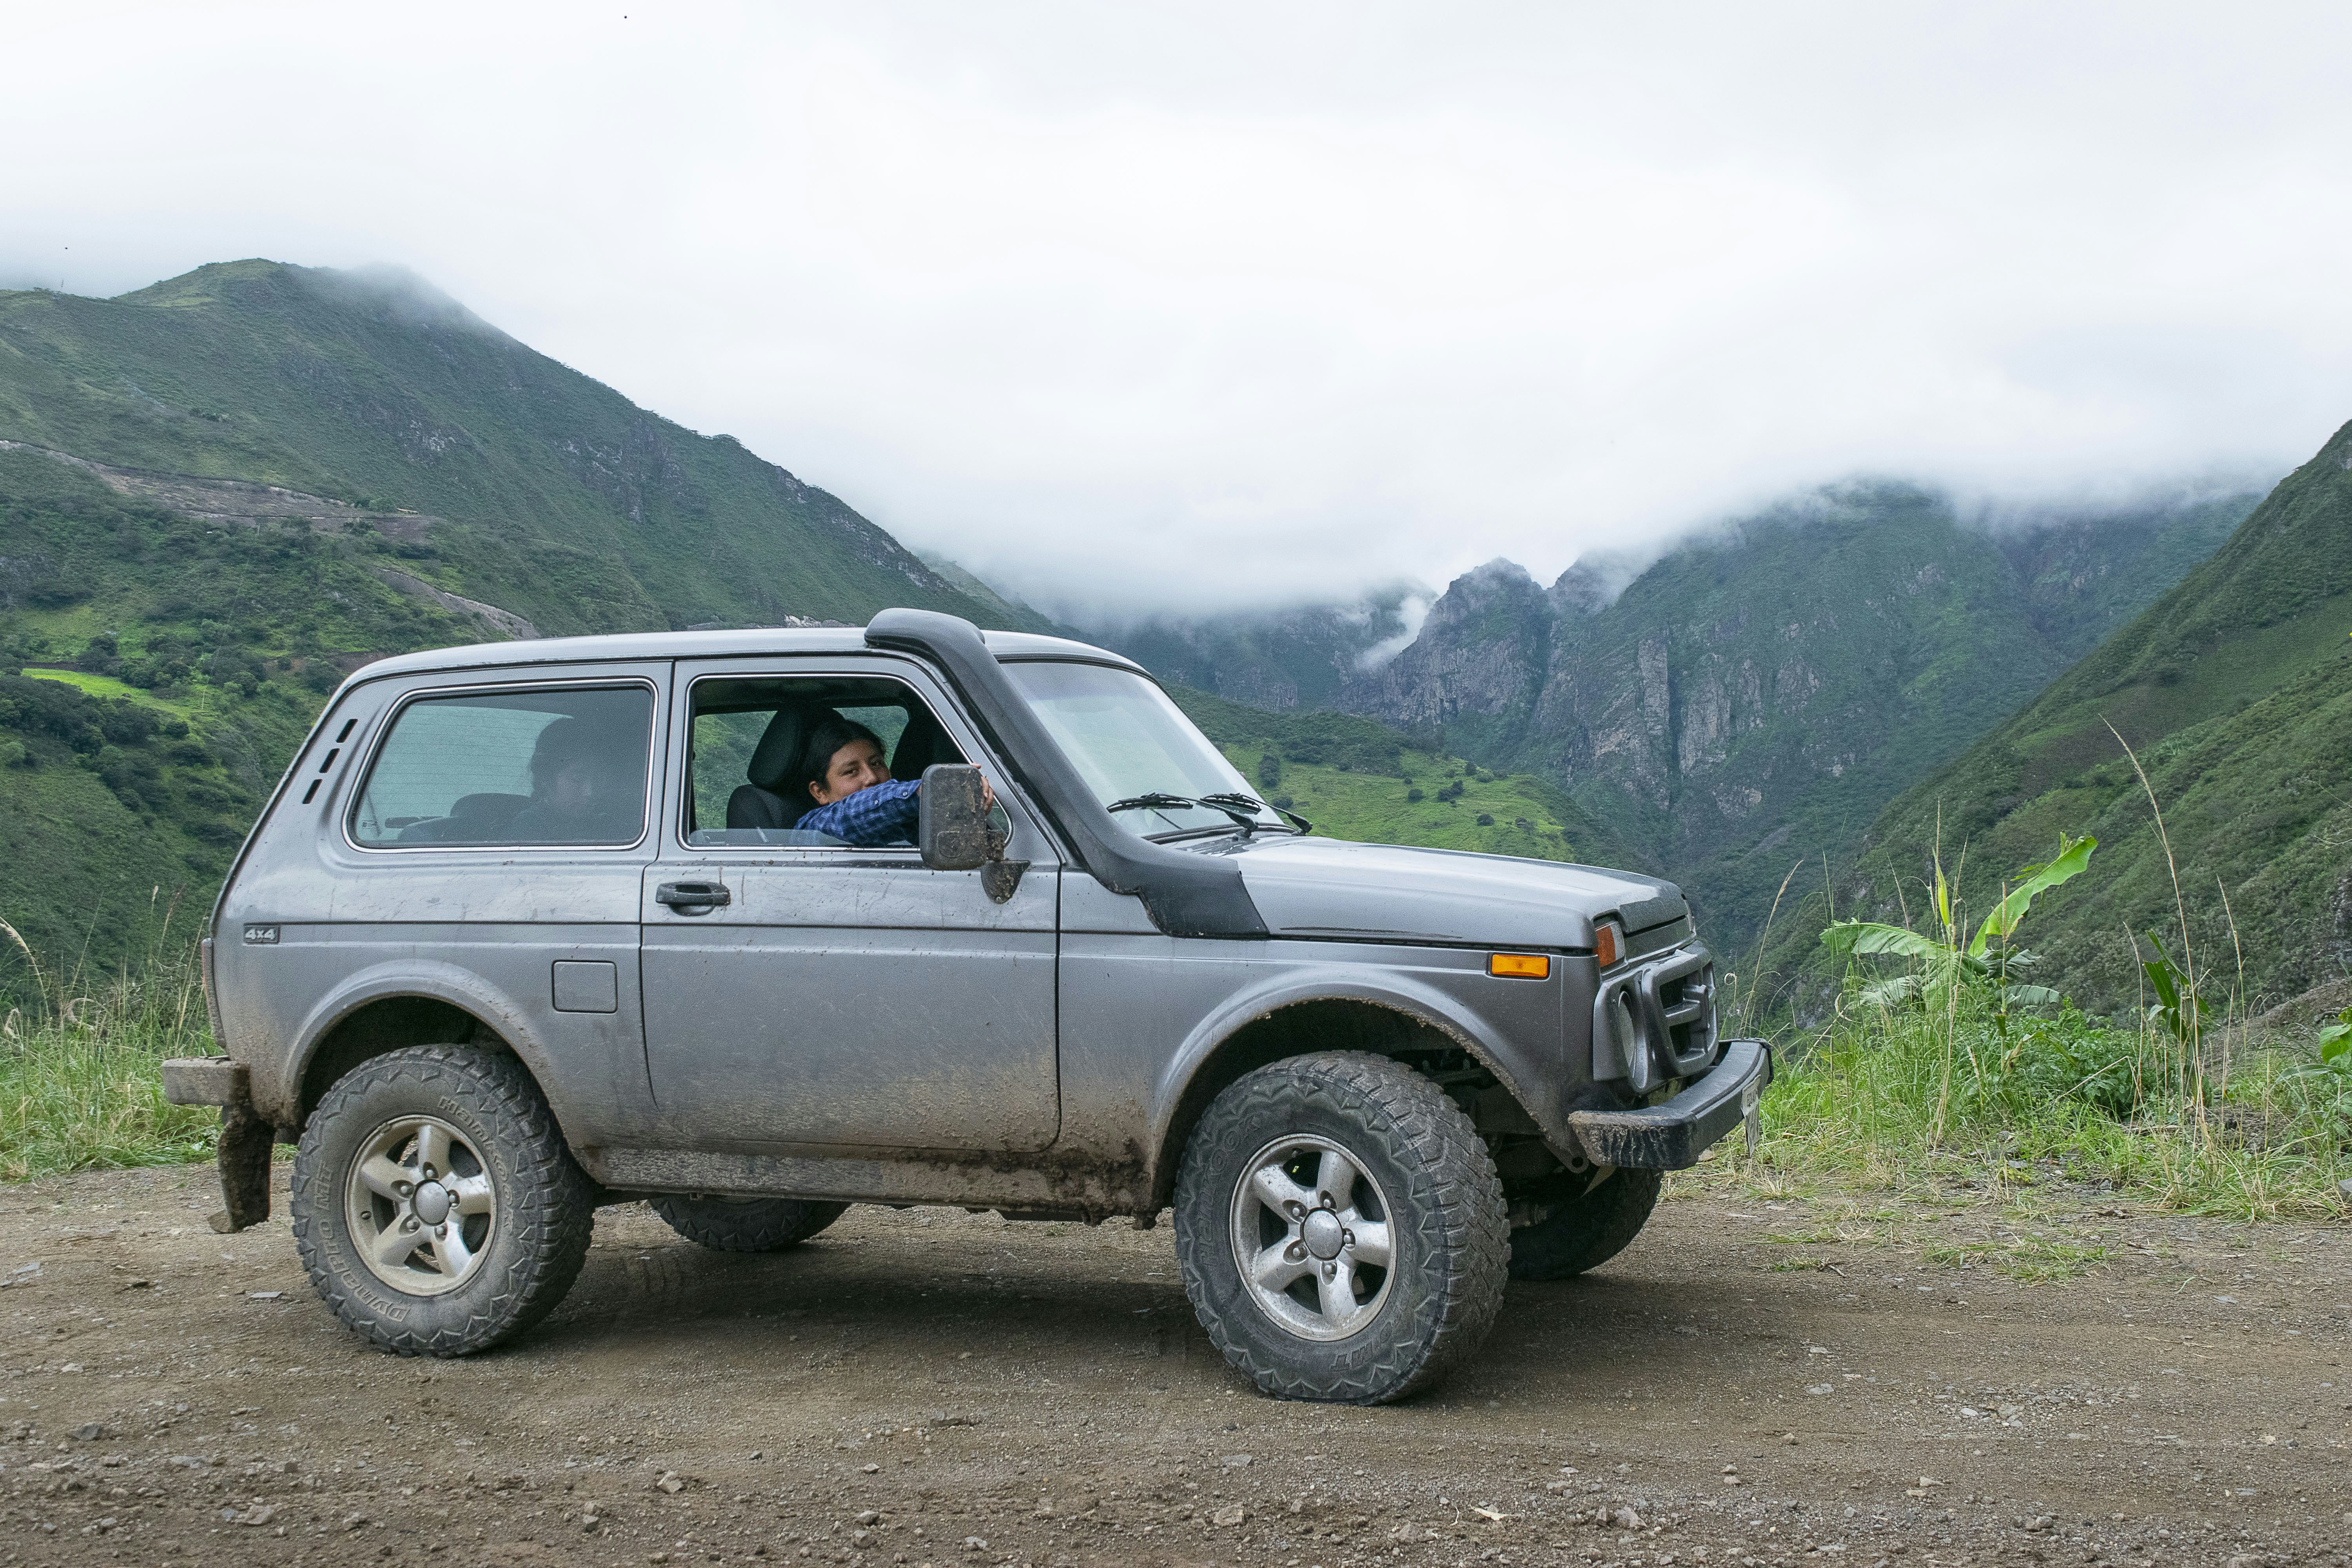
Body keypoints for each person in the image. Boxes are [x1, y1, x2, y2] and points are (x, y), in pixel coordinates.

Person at [794, 713, 989, 847]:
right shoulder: (814, 828)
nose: (871, 777)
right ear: (820, 792)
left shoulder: (912, 821)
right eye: (852, 771)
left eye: (877, 763)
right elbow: (855, 812)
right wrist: (931, 790)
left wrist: (967, 815)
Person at [506, 716, 639, 843]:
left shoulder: (610, 826)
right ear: (546, 779)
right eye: (578, 779)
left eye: (598, 778)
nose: (590, 792)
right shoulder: (530, 829)